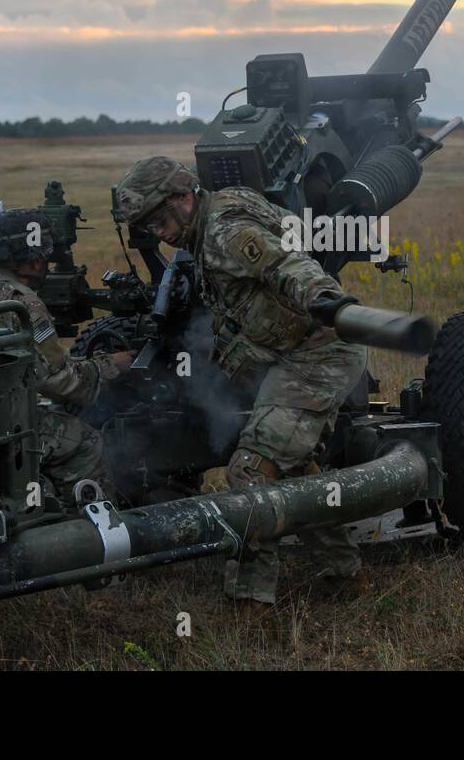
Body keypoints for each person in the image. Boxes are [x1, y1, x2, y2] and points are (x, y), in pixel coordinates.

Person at [116, 156, 369, 610]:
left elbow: (286, 267)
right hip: (288, 354)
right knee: (292, 468)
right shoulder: (218, 212)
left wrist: (327, 301)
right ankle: (344, 573)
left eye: (159, 219)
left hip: (320, 353)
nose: (158, 232)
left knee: (251, 470)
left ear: (183, 198)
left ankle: (249, 603)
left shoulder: (223, 231)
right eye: (147, 225)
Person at [0, 207, 133, 509]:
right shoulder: (22, 302)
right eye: (44, 257)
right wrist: (112, 365)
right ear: (33, 259)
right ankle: (89, 525)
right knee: (85, 441)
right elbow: (59, 381)